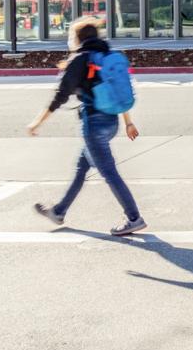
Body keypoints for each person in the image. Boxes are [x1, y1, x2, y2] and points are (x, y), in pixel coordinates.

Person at [27, 17, 148, 236]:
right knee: (82, 167)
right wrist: (128, 122)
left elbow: (60, 96)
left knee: (109, 172)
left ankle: (134, 218)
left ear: (77, 38)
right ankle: (59, 211)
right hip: (111, 121)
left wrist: (37, 122)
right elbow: (118, 93)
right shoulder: (108, 56)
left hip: (93, 124)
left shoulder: (80, 59)